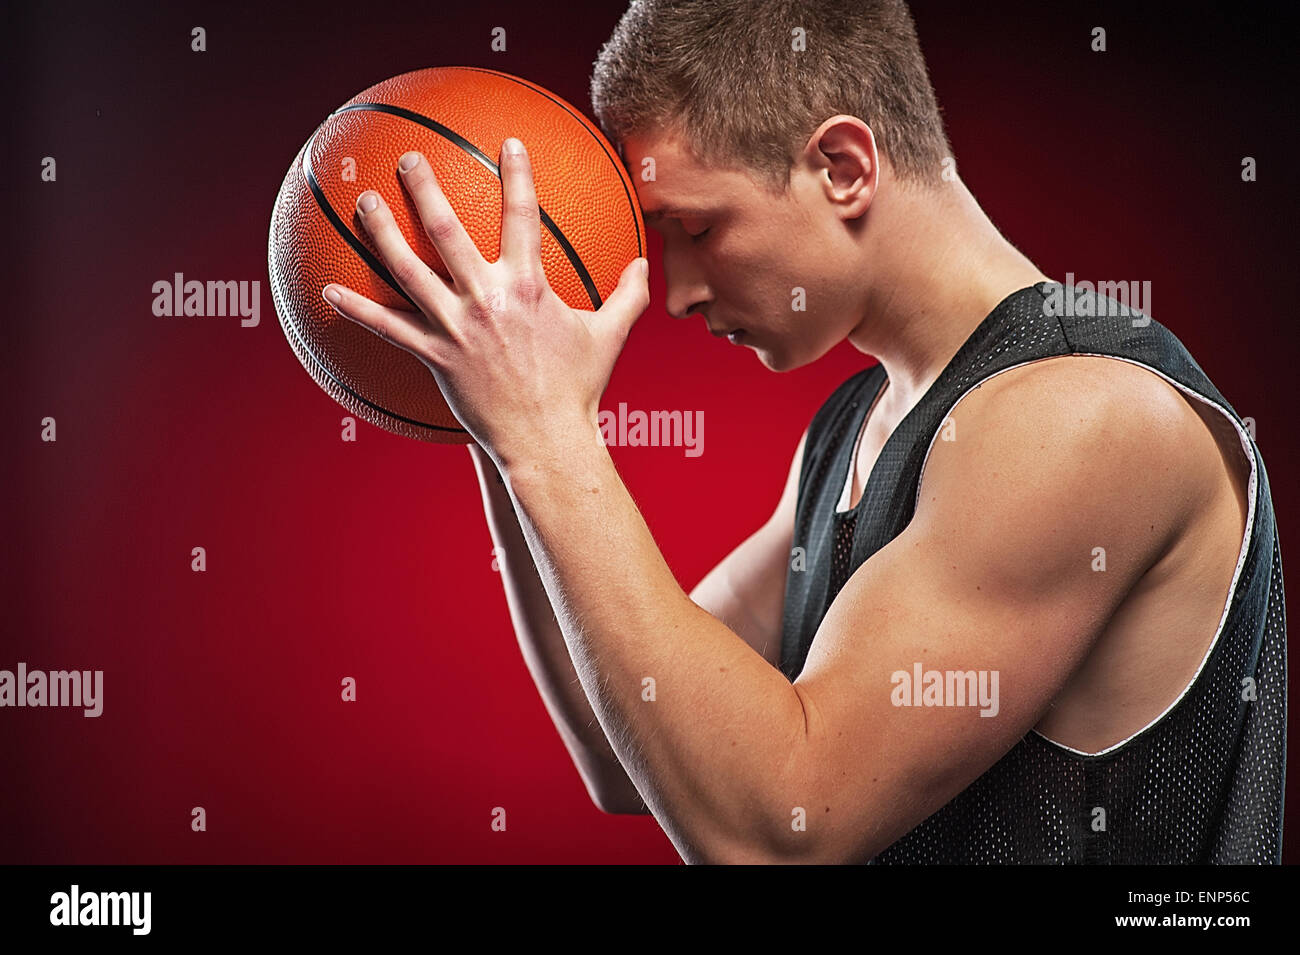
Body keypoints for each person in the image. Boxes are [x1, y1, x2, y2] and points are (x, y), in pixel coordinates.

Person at [323, 0, 1284, 863]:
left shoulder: (1082, 415)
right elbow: (634, 744)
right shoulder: (857, 425)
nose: (680, 291)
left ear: (842, 166)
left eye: (696, 228)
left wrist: (544, 431)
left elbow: (780, 831)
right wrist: (498, 419)